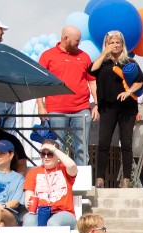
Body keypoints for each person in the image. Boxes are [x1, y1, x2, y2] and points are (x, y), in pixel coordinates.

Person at [91, 31, 143, 187]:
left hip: (127, 108)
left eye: (118, 42)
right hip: (107, 107)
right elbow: (91, 70)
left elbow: (141, 81)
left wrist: (129, 92)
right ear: (107, 44)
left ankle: (126, 178)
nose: (115, 45)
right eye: (112, 42)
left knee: (126, 142)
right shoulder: (103, 63)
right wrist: (104, 54)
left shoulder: (130, 62)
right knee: (103, 142)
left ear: (122, 45)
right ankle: (100, 178)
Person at [37, 26, 96, 165]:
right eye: (76, 41)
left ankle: (80, 177)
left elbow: (92, 82)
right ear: (65, 39)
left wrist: (97, 104)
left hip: (82, 109)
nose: (79, 43)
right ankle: (59, 176)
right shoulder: (47, 56)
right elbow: (40, 82)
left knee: (82, 148)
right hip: (56, 109)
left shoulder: (84, 56)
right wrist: (40, 106)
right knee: (57, 148)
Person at [24, 139, 80, 233]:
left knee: (53, 222)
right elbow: (28, 196)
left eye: (50, 154)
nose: (46, 157)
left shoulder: (64, 169)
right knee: (28, 219)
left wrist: (54, 149)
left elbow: (72, 165)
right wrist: (29, 202)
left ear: (57, 155)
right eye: (43, 154)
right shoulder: (33, 172)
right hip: (41, 211)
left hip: (64, 213)